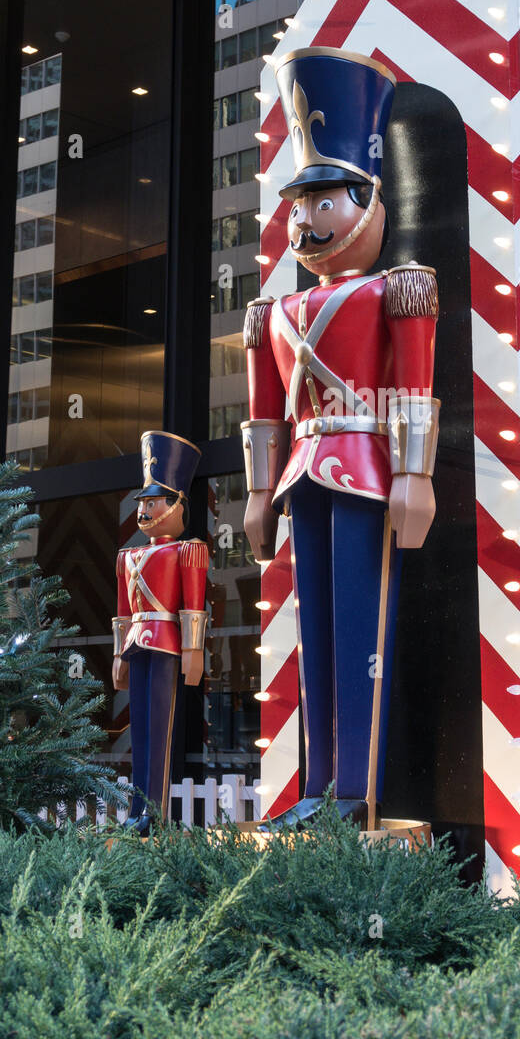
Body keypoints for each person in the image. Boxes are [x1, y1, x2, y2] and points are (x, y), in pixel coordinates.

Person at [242, 47, 439, 830]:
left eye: (324, 200)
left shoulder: (399, 288)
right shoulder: (272, 314)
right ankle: (320, 785)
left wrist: (415, 476)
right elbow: (264, 411)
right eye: (299, 204)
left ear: (366, 202)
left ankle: (355, 789)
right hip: (300, 473)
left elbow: (413, 389)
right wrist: (257, 493)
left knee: (362, 631)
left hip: (364, 466)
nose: (307, 220)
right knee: (316, 634)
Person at [112, 431, 208, 833]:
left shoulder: (188, 550)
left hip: (168, 644)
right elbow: (121, 612)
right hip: (136, 643)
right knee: (141, 735)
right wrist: (118, 655)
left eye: (154, 502)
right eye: (144, 502)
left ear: (176, 505)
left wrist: (194, 651)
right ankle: (136, 810)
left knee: (160, 733)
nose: (146, 509)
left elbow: (193, 605)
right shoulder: (127, 555)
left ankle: (154, 812)